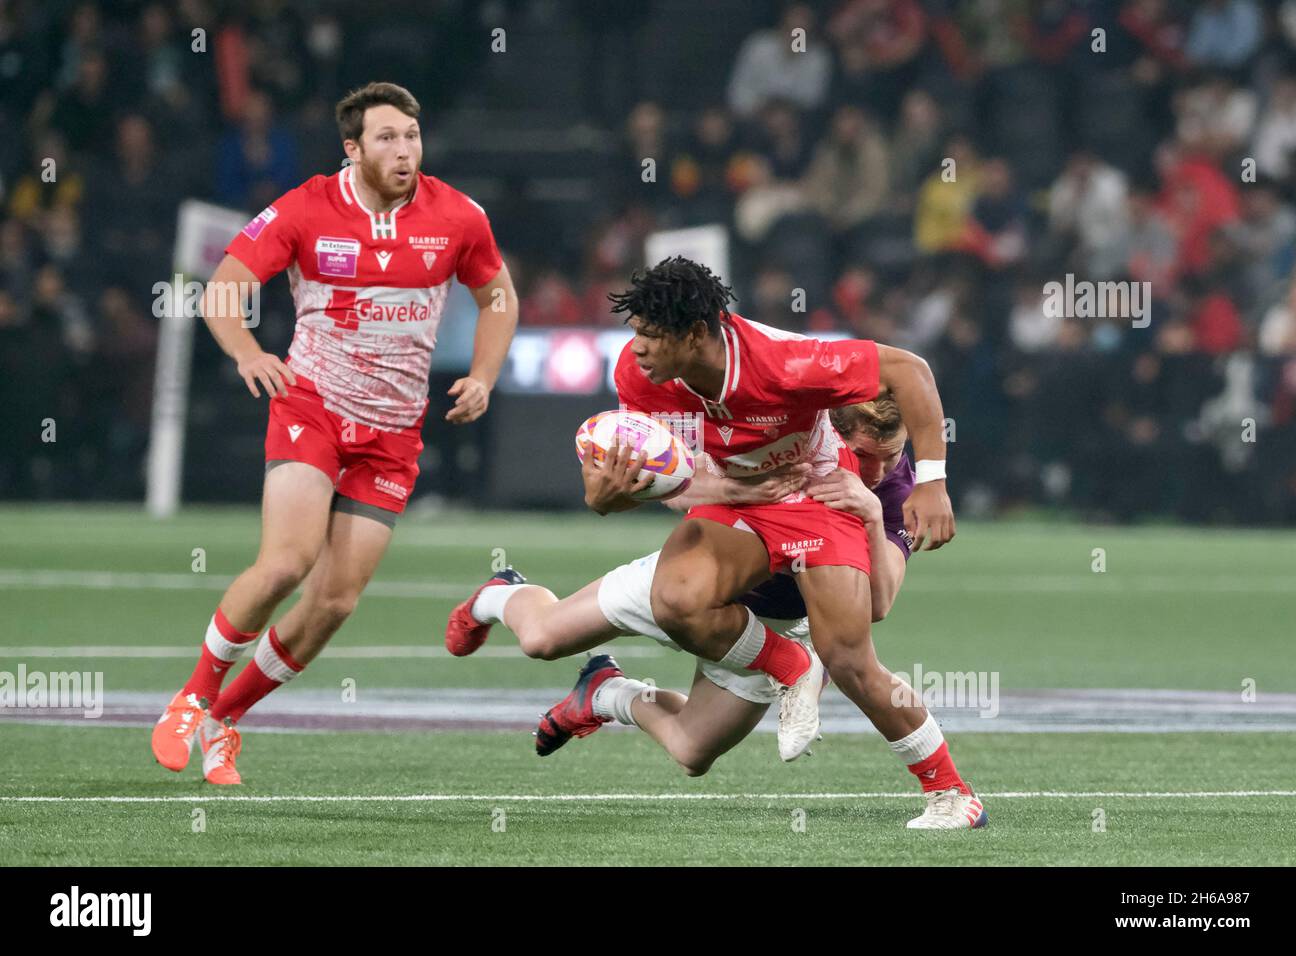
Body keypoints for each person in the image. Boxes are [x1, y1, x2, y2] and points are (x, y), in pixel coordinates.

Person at [450, 258, 984, 829]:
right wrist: (612, 498)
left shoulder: (796, 382)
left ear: (695, 334)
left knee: (713, 737)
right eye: (638, 331)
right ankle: (501, 594)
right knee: (547, 636)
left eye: (651, 334)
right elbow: (673, 483)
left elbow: (909, 369)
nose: (637, 347)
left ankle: (952, 794)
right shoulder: (641, 377)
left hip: (796, 531)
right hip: (733, 521)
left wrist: (927, 483)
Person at [150, 81, 519, 784]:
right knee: (287, 562)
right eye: (387, 138)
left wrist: (484, 374)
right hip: (312, 407)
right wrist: (249, 352)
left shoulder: (458, 216)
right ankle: (193, 696)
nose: (404, 150)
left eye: (411, 136)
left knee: (335, 602)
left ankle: (226, 717)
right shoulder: (306, 207)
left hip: (392, 433)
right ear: (352, 148)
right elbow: (224, 287)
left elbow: (498, 296)